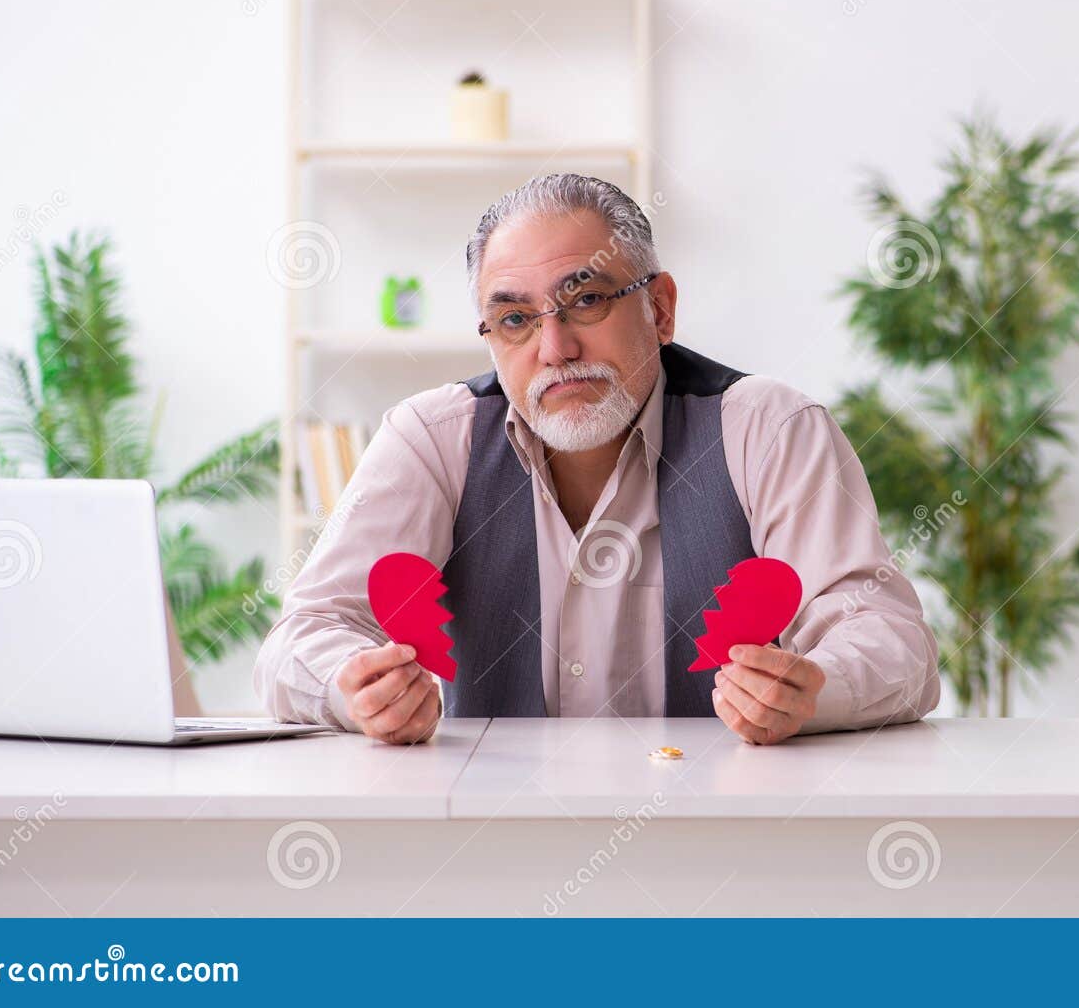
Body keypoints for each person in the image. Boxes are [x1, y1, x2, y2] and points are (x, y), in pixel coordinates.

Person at [254, 173, 940, 745]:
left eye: (584, 301)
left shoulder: (768, 428)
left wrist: (814, 692)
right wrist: (353, 687)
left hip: (724, 840)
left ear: (661, 309)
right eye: (516, 319)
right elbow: (298, 640)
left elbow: (892, 642)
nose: (554, 349)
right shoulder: (432, 437)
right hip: (488, 845)